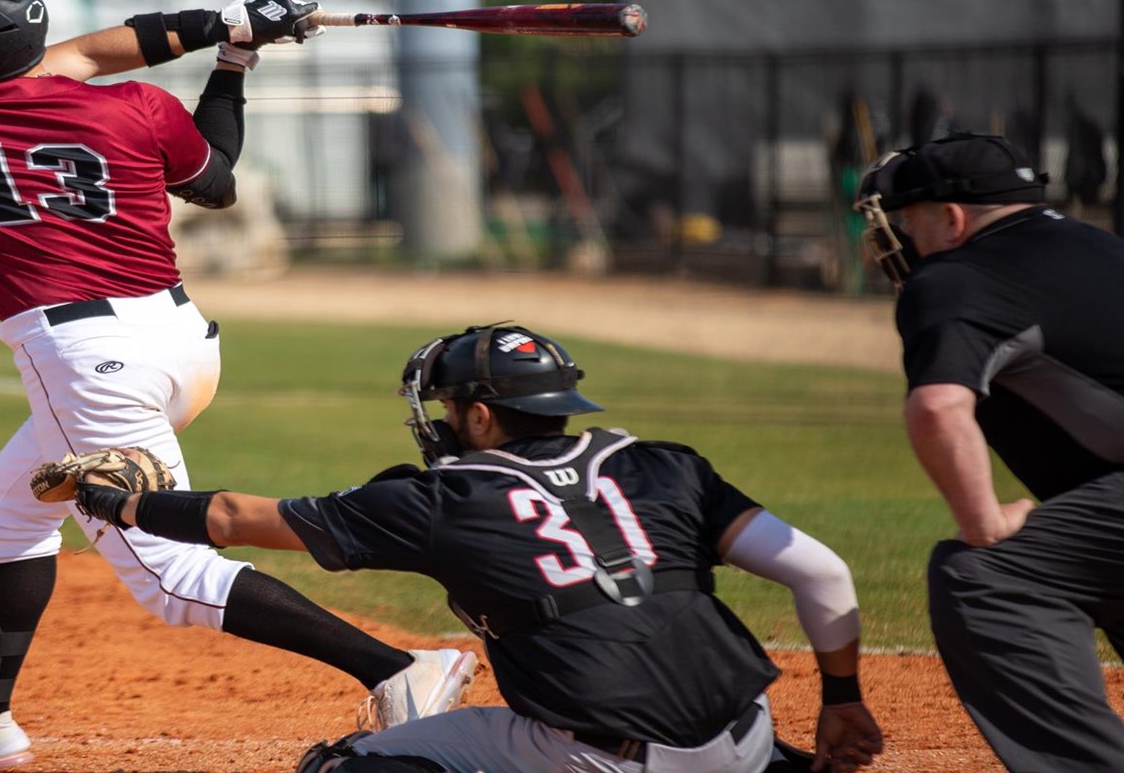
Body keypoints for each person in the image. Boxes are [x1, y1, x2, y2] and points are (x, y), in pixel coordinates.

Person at [0, 0, 477, 772]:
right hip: (178, 342)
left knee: (169, 573)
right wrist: (231, 52)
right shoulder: (138, 109)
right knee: (10, 510)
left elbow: (76, 57)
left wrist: (225, 27)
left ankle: (398, 669)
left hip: (84, 363)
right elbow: (214, 180)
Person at [66, 323, 887, 773]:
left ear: (483, 417)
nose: (442, 423)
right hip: (743, 740)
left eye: (451, 409)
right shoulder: (661, 464)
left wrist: (118, 502)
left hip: (593, 760)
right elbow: (819, 570)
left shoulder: (440, 498)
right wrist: (843, 697)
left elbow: (236, 520)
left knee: (349, 769)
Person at [855, 131, 1124, 772]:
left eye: (910, 221)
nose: (903, 239)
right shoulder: (1103, 248)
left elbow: (938, 408)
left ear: (950, 219)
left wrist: (985, 524)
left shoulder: (956, 276)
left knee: (988, 575)